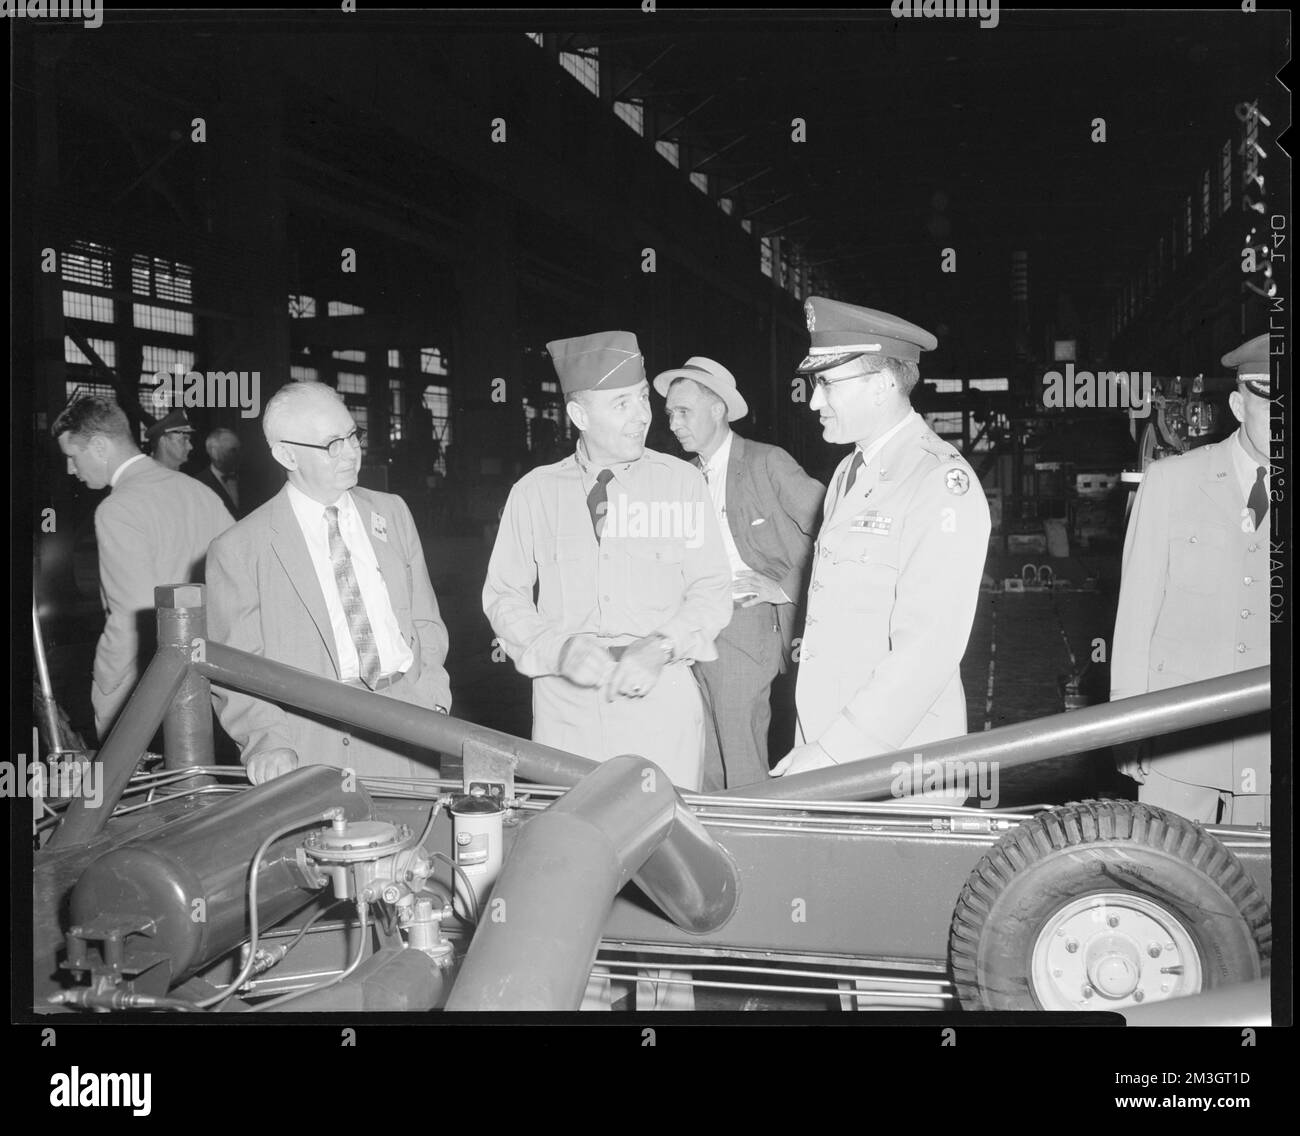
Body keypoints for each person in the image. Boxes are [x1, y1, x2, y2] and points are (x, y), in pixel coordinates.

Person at [484, 331, 732, 792]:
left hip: (660, 701)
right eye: (622, 404)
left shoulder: (681, 484)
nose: (643, 416)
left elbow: (712, 590)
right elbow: (504, 596)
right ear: (579, 414)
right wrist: (556, 648)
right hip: (565, 711)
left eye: (642, 399)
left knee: (665, 849)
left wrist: (660, 645)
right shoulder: (534, 493)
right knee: (574, 846)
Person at [772, 298, 991, 781]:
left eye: (827, 384)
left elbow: (928, 649)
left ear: (883, 385)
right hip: (829, 741)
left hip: (894, 762)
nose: (812, 401)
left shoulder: (938, 482)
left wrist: (835, 752)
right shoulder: (849, 471)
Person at [205, 381, 452, 785]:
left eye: (353, 435)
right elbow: (236, 667)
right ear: (286, 454)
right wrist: (268, 741)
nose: (352, 452)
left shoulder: (392, 513)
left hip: (410, 723)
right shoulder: (239, 548)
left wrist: (434, 700)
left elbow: (425, 619)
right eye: (332, 444)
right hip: (313, 739)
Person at [1110, 334, 1272, 825]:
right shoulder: (1170, 483)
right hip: (1179, 744)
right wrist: (1128, 724)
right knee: (1168, 890)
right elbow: (1137, 616)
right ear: (1239, 405)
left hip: (1271, 750)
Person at [655, 356, 823, 789]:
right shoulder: (687, 476)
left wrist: (784, 588)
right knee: (704, 755)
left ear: (718, 409)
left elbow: (834, 524)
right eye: (670, 412)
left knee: (739, 752)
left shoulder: (768, 463)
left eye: (683, 411)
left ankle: (755, 845)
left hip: (744, 625)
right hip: (697, 627)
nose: (673, 423)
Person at [52, 395, 233, 740]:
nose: (71, 470)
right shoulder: (200, 492)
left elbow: (130, 618)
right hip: (218, 677)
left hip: (157, 686)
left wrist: (106, 692)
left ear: (100, 446)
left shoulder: (117, 508)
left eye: (73, 457)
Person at [193, 427, 245, 519]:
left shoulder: (249, 479)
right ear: (214, 453)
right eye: (233, 450)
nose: (239, 455)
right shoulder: (198, 484)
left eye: (240, 449)